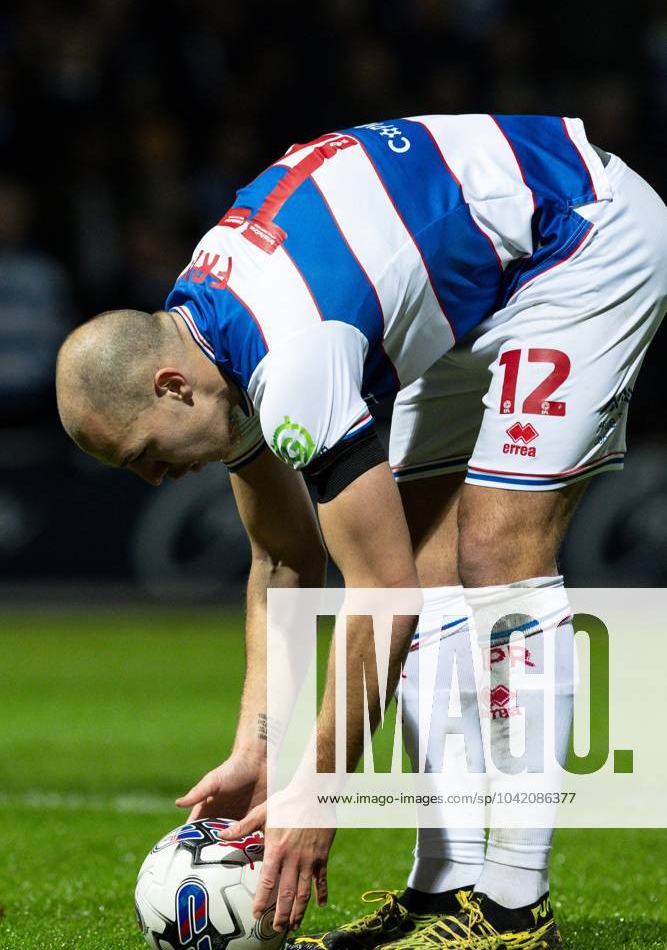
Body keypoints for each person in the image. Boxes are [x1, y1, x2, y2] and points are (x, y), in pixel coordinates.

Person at [56, 115, 667, 949]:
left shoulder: (290, 361)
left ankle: (517, 910)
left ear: (170, 389)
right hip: (479, 279)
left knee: (493, 552)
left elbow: (381, 596)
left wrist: (320, 795)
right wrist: (259, 748)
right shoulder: (208, 338)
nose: (155, 478)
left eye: (143, 457)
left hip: (577, 237)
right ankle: (443, 895)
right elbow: (283, 558)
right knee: (422, 553)